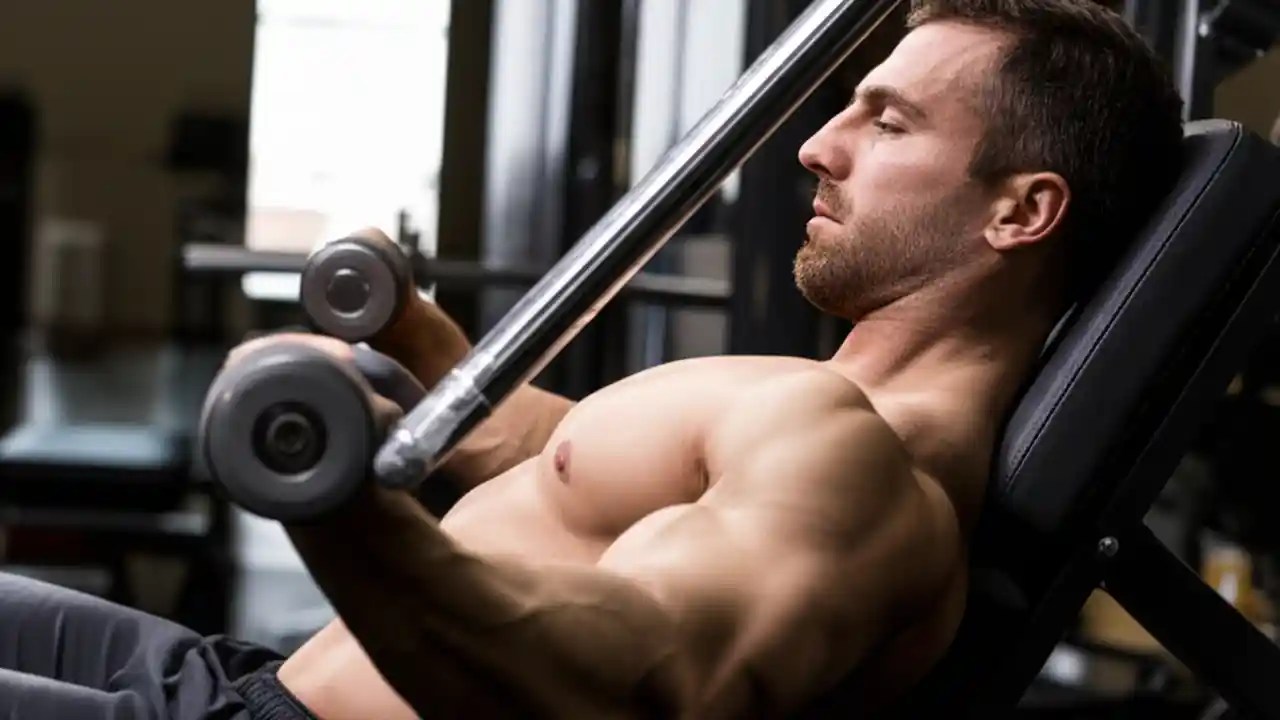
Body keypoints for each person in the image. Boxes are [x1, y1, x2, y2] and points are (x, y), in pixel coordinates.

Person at [0, 1, 1185, 718]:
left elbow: (638, 693)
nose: (815, 148)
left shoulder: (866, 473)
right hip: (236, 674)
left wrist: (334, 498)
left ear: (1020, 212)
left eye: (885, 121)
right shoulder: (813, 413)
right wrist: (406, 329)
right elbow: (541, 454)